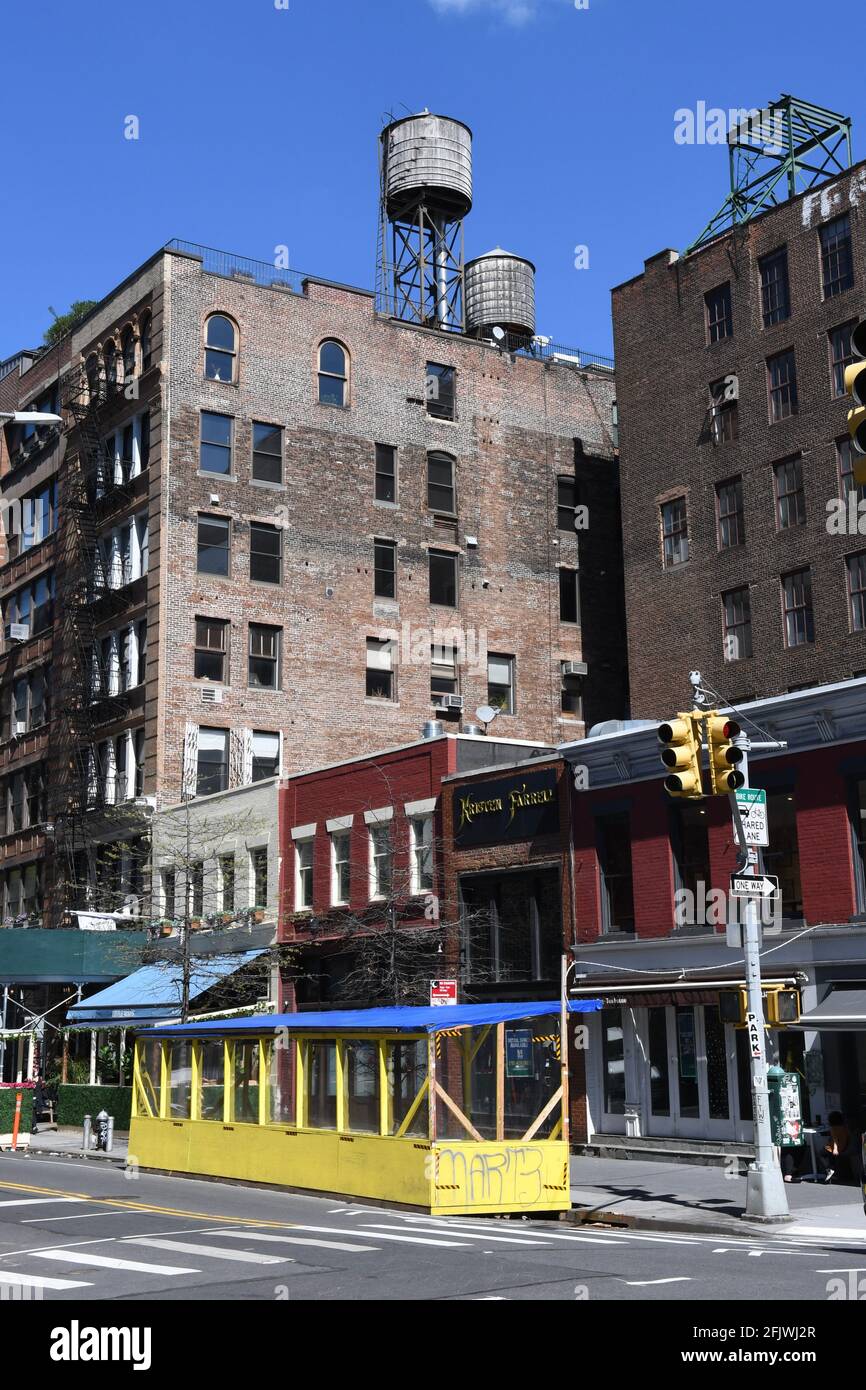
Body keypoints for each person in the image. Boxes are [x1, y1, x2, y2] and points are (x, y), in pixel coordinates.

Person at [816, 1111, 863, 1184]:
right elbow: (848, 1136)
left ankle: (829, 1168)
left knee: (821, 1153)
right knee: (829, 1153)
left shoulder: (833, 1128)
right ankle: (832, 1167)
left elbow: (835, 1139)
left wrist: (835, 1149)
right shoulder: (844, 1127)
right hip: (844, 1148)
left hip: (833, 1148)